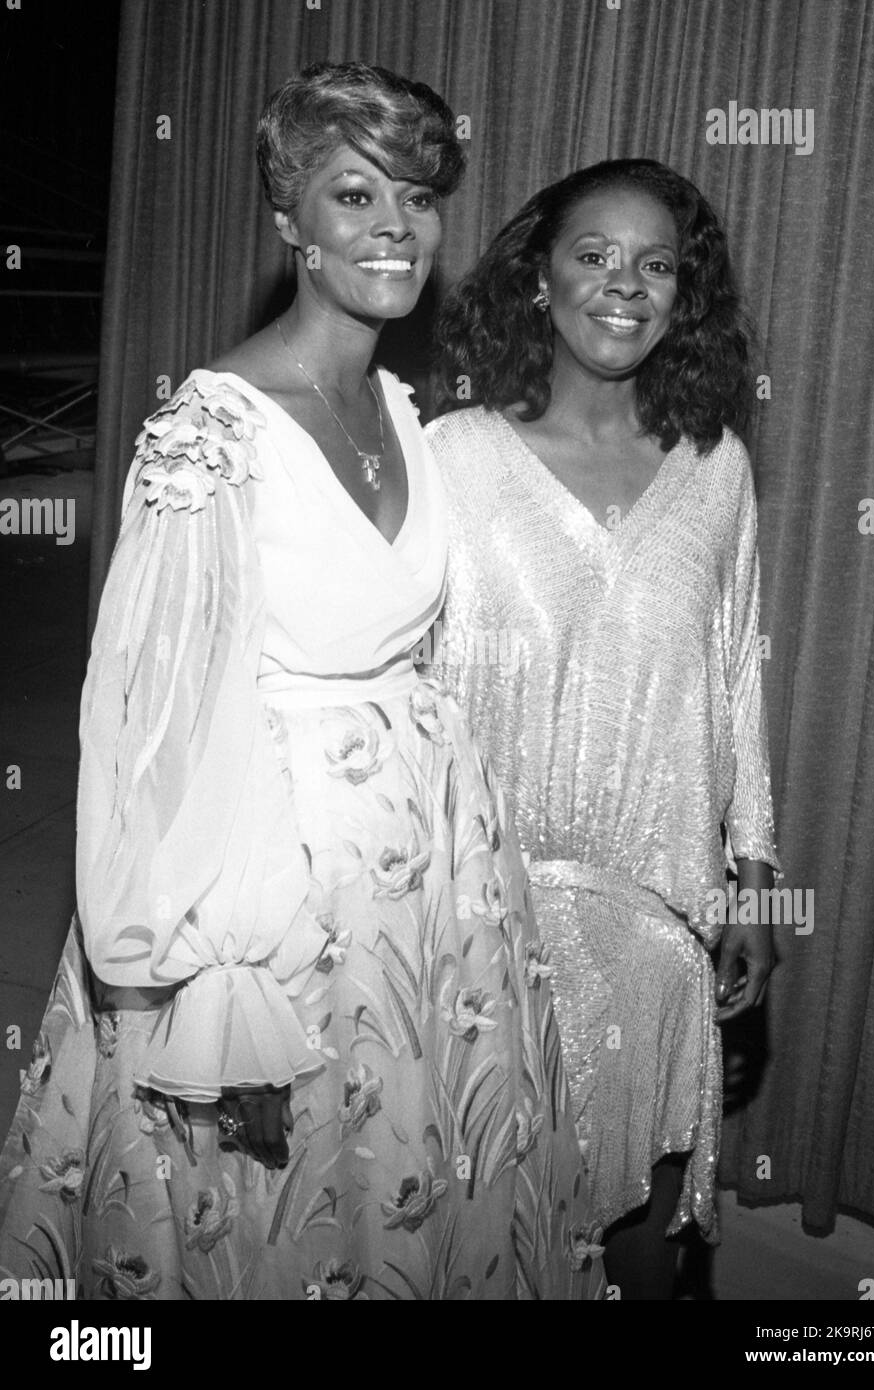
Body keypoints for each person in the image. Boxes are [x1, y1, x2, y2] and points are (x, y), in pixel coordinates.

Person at [0, 62, 601, 1302]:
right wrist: (218, 979)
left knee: (412, 1174)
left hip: (427, 875)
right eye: (354, 193)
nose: (396, 226)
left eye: (421, 196)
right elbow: (152, 731)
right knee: (267, 1213)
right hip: (266, 887)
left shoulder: (400, 402)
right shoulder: (209, 431)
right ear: (290, 221)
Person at [426, 157, 781, 1299]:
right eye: (593, 255)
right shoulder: (453, 459)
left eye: (657, 263)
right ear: (539, 276)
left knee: (640, 1233)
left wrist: (756, 878)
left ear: (687, 296)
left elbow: (738, 677)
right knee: (474, 1216)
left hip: (657, 921)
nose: (624, 285)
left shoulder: (717, 468)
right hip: (484, 919)